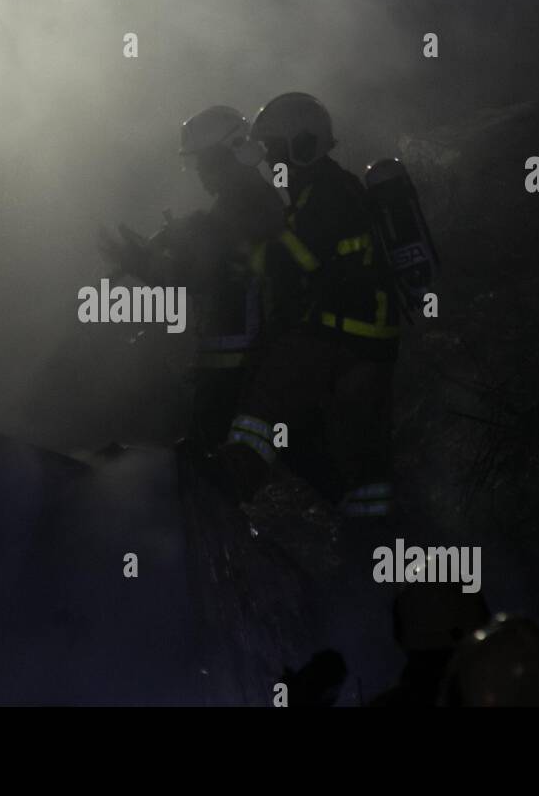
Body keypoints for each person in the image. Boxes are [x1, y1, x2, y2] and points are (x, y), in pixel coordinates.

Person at [220, 92, 401, 513]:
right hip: (369, 338)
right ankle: (376, 549)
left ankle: (226, 489)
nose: (268, 160)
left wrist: (243, 256)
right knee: (365, 462)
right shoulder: (323, 188)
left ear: (302, 146)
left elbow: (294, 259)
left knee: (265, 401)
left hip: (338, 331)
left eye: (275, 150)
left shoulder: (325, 192)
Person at [99, 105, 285, 446]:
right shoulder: (245, 198)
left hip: (240, 354)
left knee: (211, 447)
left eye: (203, 160)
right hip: (238, 349)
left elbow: (197, 273)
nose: (199, 171)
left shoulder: (245, 203)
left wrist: (141, 262)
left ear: (229, 153)